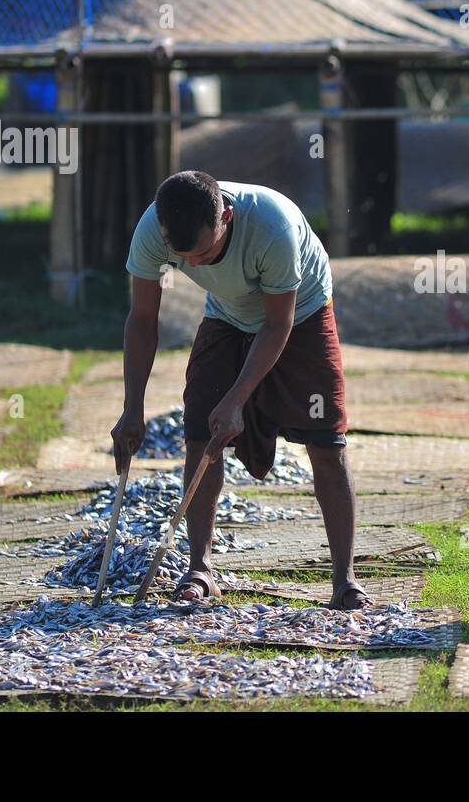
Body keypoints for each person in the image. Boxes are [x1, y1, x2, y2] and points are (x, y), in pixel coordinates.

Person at [111, 171, 369, 609]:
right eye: (182, 256)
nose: (193, 266)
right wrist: (131, 409)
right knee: (200, 435)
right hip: (227, 314)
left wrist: (236, 400)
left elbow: (277, 323)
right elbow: (142, 320)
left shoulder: (273, 227)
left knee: (327, 442)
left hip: (300, 311)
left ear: (227, 217)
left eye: (205, 253)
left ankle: (345, 580)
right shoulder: (154, 229)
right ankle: (200, 569)